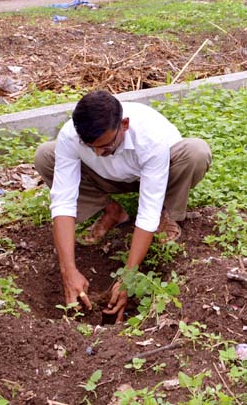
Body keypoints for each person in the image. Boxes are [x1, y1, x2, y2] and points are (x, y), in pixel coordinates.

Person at [35, 91, 211, 320]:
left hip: (158, 175)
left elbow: (146, 214)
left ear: (124, 125)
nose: (99, 153)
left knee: (196, 152)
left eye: (106, 145)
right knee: (45, 156)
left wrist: (128, 278)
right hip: (105, 179)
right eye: (90, 147)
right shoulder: (71, 135)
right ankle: (111, 211)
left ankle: (166, 214)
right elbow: (62, 204)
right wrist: (68, 271)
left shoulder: (150, 136)